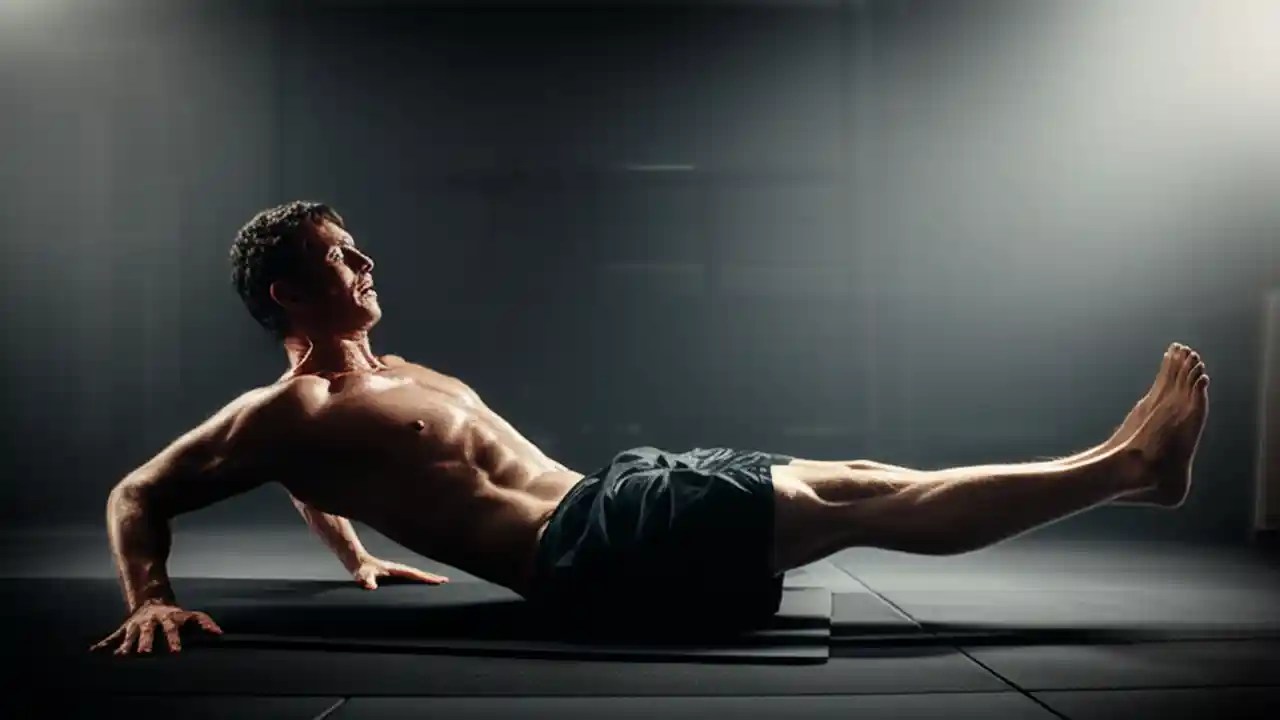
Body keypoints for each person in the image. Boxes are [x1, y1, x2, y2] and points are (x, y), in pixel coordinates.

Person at [90, 201, 1210, 656]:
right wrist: (149, 600)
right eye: (339, 254)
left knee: (863, 475)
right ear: (287, 293)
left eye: (356, 245)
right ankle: (1123, 468)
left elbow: (316, 480)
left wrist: (356, 558)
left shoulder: (388, 378)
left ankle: (1115, 470)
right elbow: (141, 491)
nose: (364, 260)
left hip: (619, 493)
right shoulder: (281, 412)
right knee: (859, 504)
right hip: (588, 552)